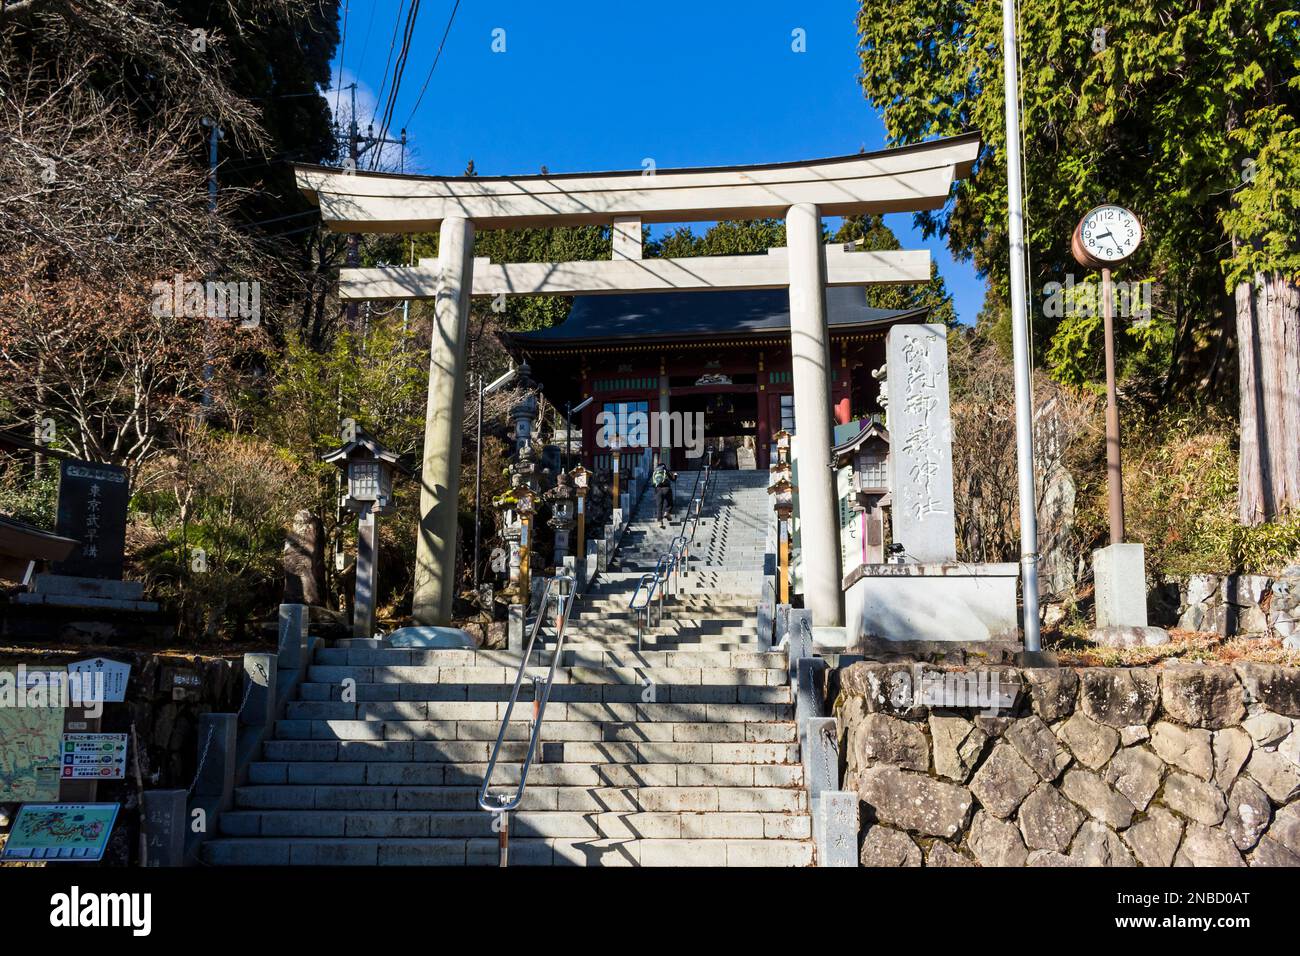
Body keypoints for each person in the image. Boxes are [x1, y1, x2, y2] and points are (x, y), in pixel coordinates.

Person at [652, 461, 677, 526]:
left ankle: (660, 521)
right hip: (666, 489)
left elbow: (653, 483)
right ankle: (667, 512)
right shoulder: (666, 471)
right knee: (669, 502)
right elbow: (673, 479)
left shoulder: (655, 472)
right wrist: (675, 475)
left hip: (657, 490)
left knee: (659, 506)